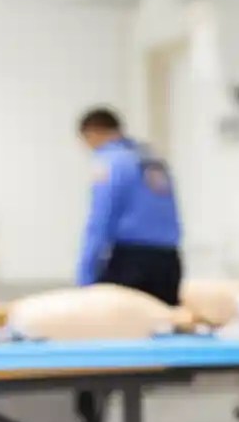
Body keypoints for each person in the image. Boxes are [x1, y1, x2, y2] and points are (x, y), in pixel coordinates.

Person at [75, 108, 183, 305]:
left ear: (93, 133)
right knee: (163, 327)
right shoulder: (153, 160)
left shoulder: (110, 162)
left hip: (132, 261)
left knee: (122, 329)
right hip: (168, 260)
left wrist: (86, 276)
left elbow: (100, 219)